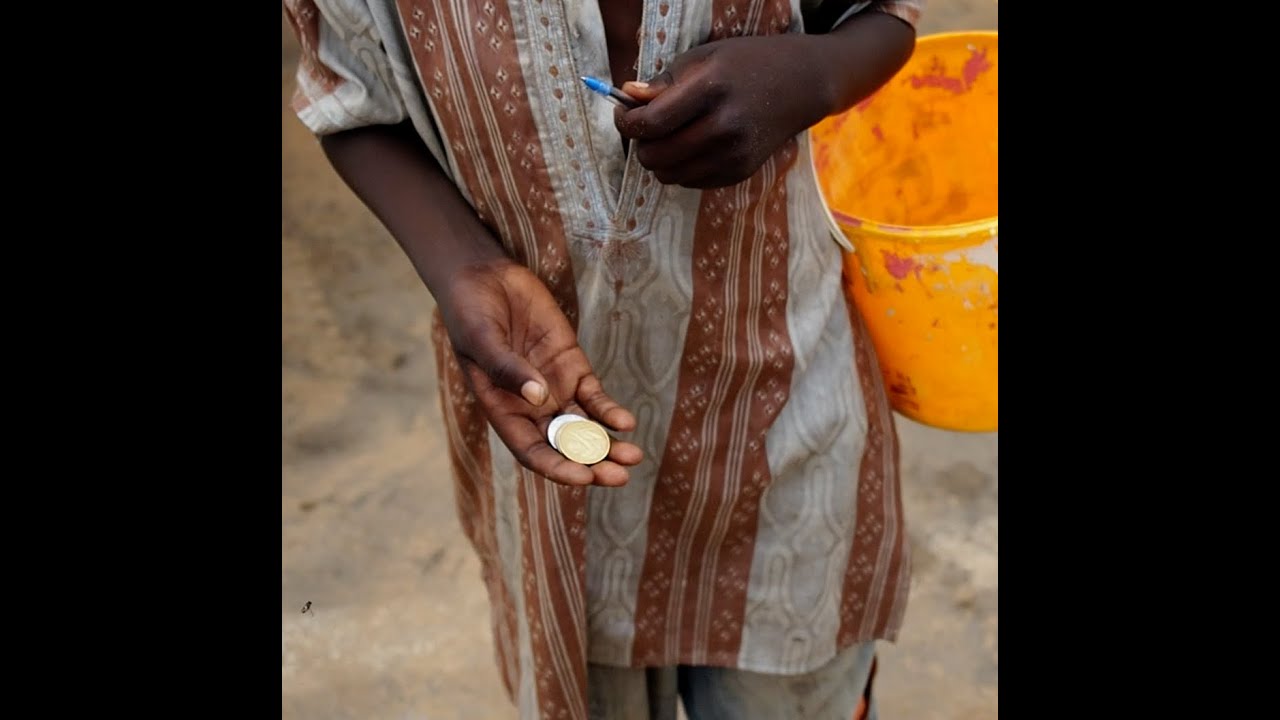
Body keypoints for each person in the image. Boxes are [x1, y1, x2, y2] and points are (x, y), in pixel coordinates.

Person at [283, 1, 923, 717]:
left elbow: (884, 16)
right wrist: (463, 269)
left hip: (786, 409)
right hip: (540, 443)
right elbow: (351, 98)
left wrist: (813, 76)